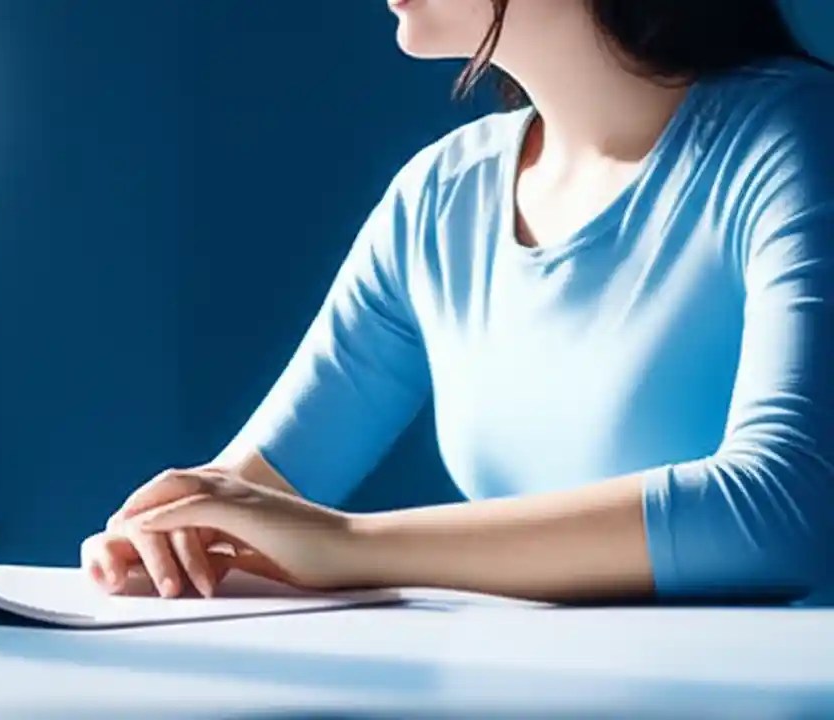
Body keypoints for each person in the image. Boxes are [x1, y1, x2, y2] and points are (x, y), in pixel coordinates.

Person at [80, 0, 834, 603]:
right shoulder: (441, 197)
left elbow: (778, 514)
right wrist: (163, 539)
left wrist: (350, 546)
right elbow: (251, 501)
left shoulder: (797, 137)